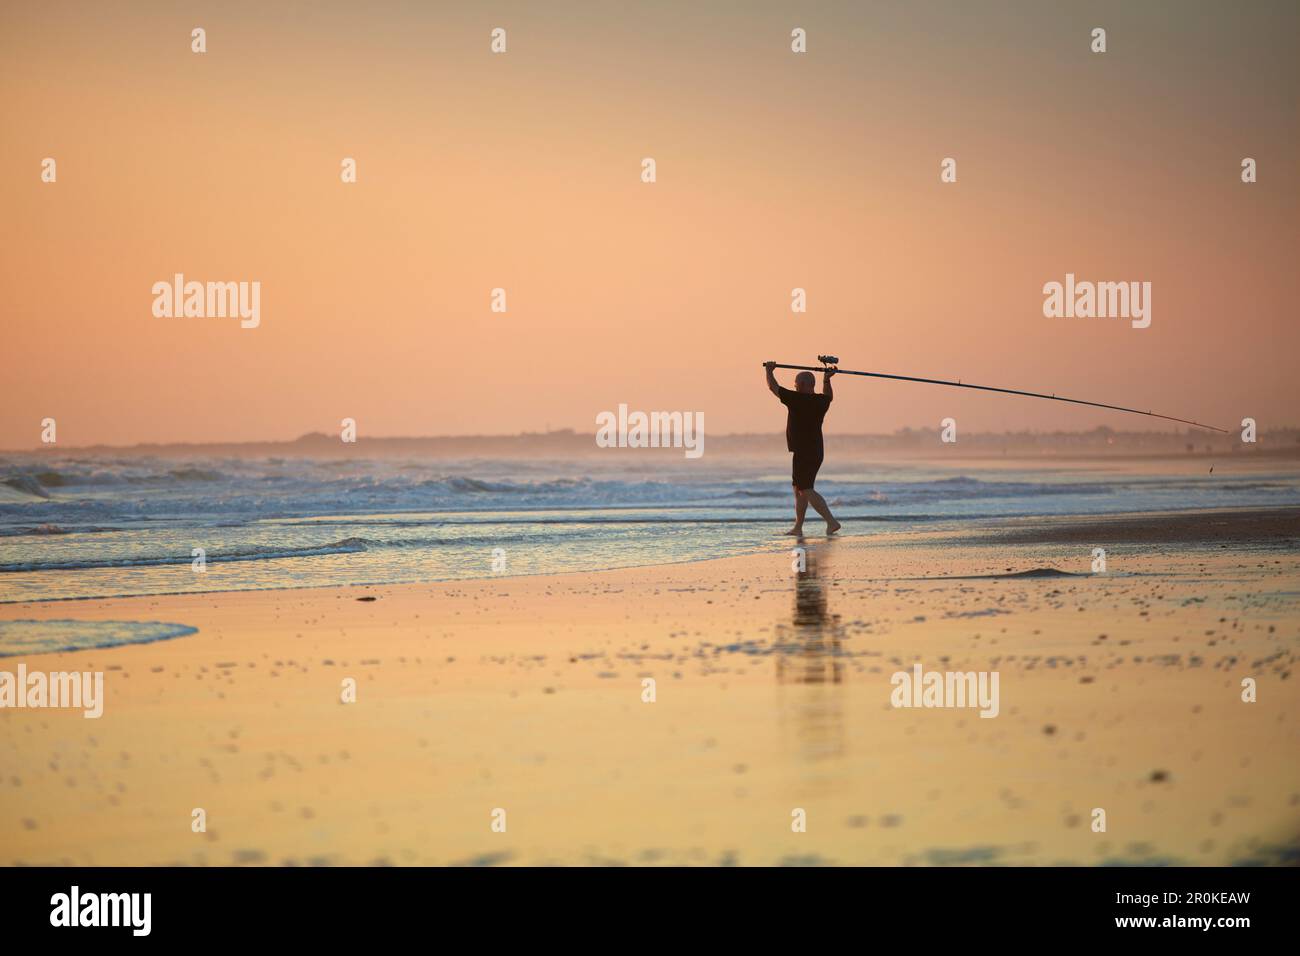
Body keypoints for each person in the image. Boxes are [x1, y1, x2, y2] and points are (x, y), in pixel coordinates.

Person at [764, 362, 841, 536]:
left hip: (805, 452)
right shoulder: (821, 401)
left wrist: (769, 370)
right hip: (814, 451)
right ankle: (798, 527)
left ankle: (831, 521)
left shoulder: (798, 399)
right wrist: (827, 380)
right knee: (799, 489)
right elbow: (828, 396)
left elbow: (773, 387)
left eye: (797, 384)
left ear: (806, 385)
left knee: (805, 489)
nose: (795, 386)